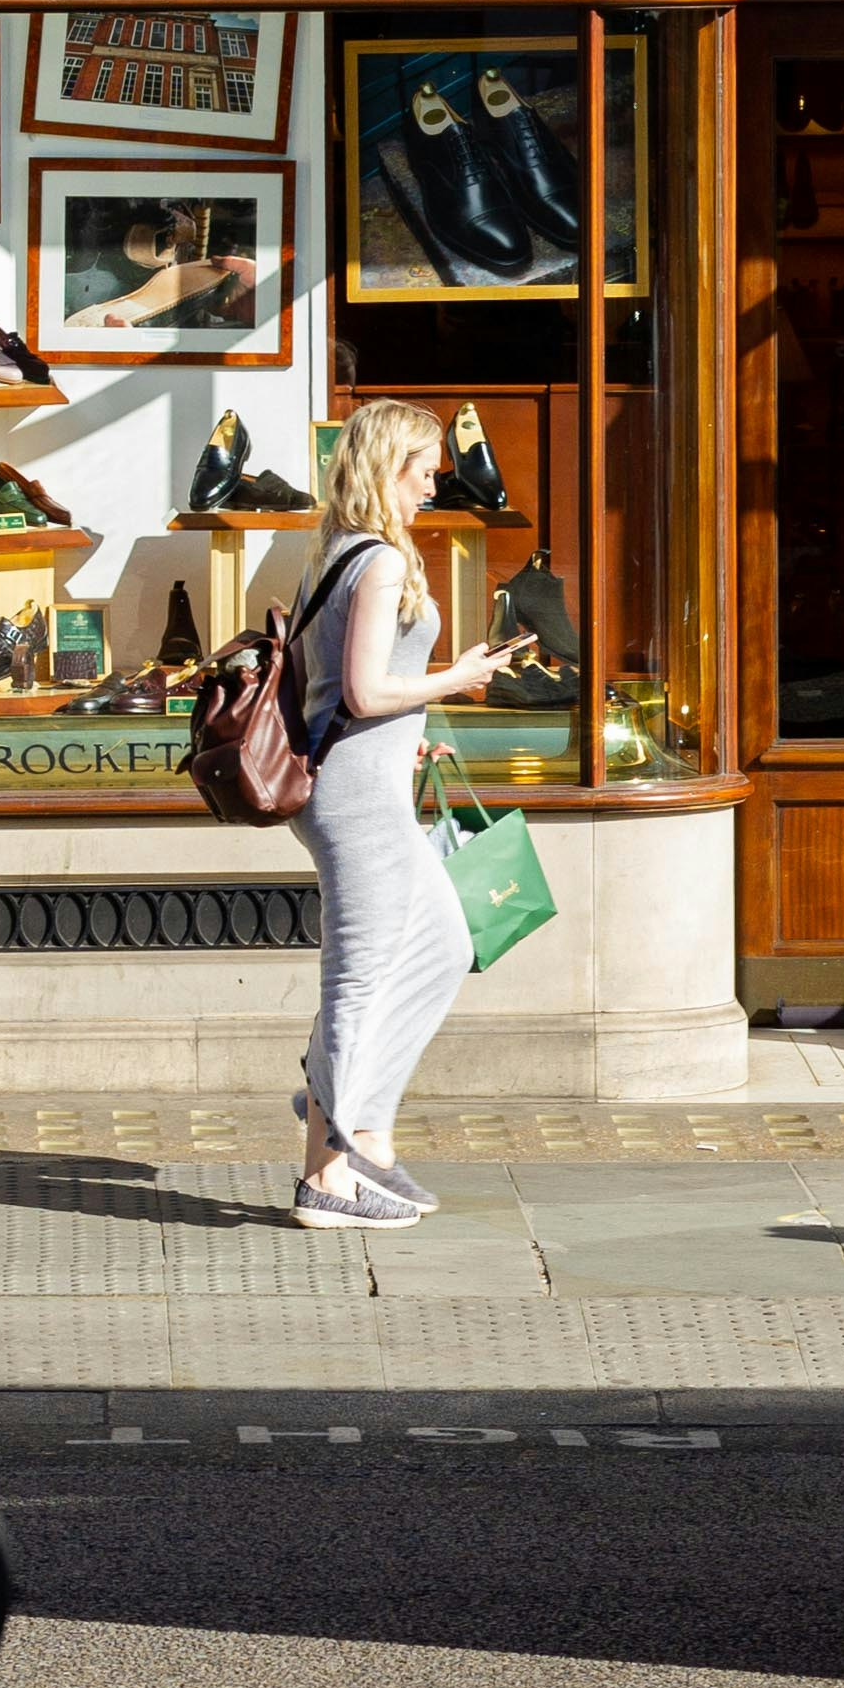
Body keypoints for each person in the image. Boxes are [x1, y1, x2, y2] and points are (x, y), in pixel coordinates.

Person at [285, 398, 528, 1229]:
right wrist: (455, 679)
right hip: (356, 797)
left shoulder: (334, 551)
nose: (434, 481)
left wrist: (412, 738)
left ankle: (365, 1128)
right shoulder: (379, 560)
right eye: (424, 466)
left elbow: (342, 691)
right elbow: (362, 691)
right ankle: (328, 1174)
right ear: (388, 466)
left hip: (365, 780)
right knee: (360, 976)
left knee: (444, 944)